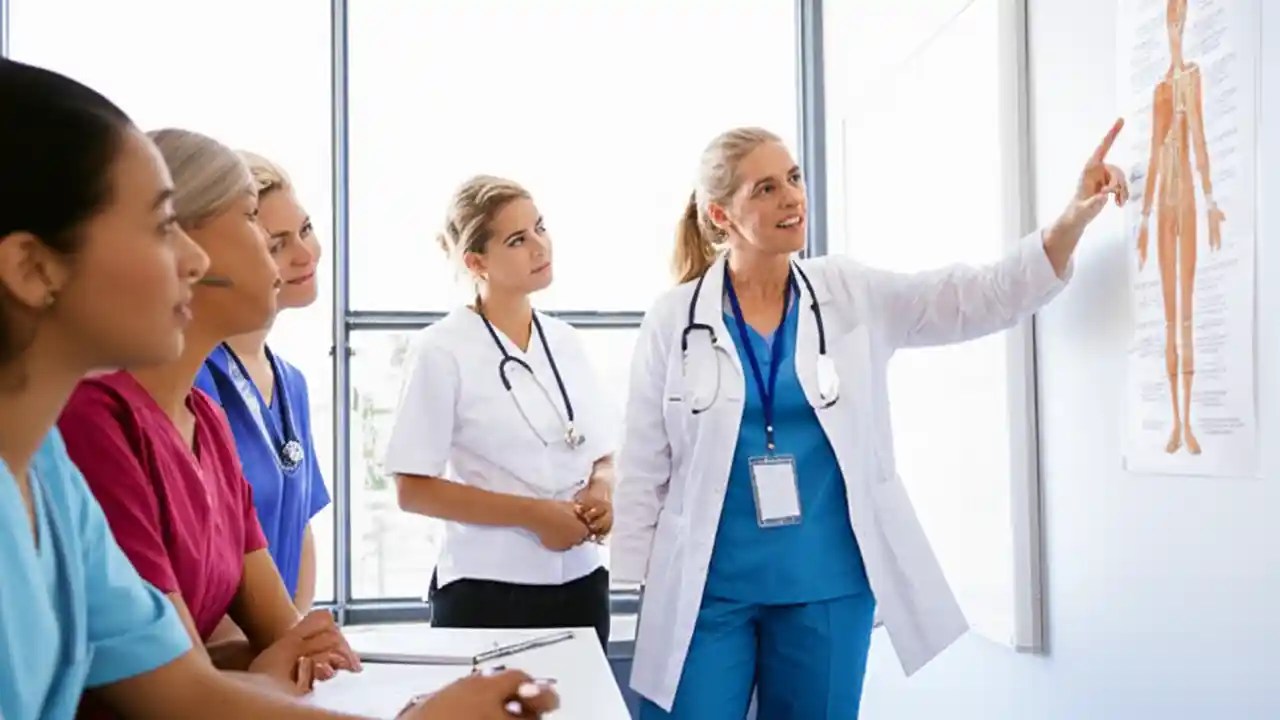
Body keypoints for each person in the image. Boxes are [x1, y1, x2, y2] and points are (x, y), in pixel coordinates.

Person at [0, 57, 557, 720]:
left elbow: (184, 692)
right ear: (33, 268)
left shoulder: (50, 478)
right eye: (159, 228)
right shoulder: (89, 430)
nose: (195, 262)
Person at [613, 124, 1129, 719]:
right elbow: (645, 461)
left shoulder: (847, 292)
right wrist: (632, 581)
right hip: (705, 589)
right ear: (721, 215)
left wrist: (1071, 219)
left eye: (794, 178)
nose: (791, 197)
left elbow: (975, 296)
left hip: (828, 584)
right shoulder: (675, 317)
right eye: (766, 188)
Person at [383, 175, 616, 648]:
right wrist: (533, 516)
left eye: (540, 228)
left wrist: (602, 493)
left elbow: (603, 453)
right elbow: (412, 489)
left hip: (583, 586)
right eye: (517, 239)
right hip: (488, 593)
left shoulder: (565, 341)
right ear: (476, 262)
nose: (539, 246)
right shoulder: (441, 349)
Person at [194, 150, 329, 613]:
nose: (304, 255)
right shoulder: (196, 378)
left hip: (277, 653)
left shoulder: (292, 383)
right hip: (216, 656)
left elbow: (301, 525)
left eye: (306, 231)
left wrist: (294, 638)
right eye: (277, 245)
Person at [1134, 0, 1225, 455]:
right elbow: (1153, 153)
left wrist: (1211, 202)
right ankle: (1174, 421)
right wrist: (1144, 217)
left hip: (1187, 200)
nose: (1177, 27)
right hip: (1164, 204)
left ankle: (1189, 422)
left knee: (1187, 312)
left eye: (1181, 20)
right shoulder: (1160, 91)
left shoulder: (1191, 79)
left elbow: (1202, 143)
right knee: (1170, 317)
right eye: (1172, 20)